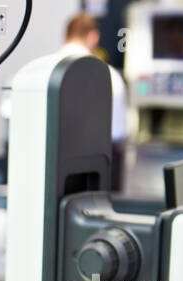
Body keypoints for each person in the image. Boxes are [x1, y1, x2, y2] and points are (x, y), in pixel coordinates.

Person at [61, 12, 128, 191]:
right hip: (96, 183)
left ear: (66, 36)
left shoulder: (37, 74)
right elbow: (117, 136)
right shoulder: (110, 77)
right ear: (93, 37)